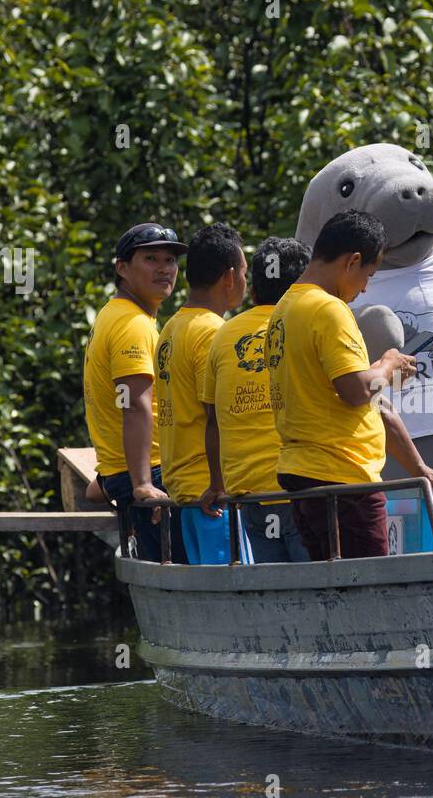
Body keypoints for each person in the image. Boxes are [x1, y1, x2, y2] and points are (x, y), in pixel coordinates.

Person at [267, 209, 433, 560]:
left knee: (333, 590)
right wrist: (387, 365)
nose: (366, 287)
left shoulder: (284, 308)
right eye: (368, 275)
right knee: (368, 591)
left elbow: (369, 401)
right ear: (353, 261)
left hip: (304, 475)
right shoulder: (329, 310)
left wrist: (420, 469)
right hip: (343, 481)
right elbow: (357, 392)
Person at [201, 237, 311, 563]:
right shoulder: (306, 324)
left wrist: (216, 484)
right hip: (301, 489)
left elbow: (213, 417)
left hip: (248, 495)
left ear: (253, 290)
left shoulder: (222, 335)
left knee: (275, 598)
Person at [84, 222, 187, 561]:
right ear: (122, 268)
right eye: (151, 258)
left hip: (127, 472)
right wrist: (142, 482)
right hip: (151, 474)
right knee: (179, 578)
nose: (164, 269)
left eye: (170, 259)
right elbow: (133, 404)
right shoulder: (133, 325)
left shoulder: (113, 315)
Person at [154, 223, 247, 564]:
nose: (246, 283)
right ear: (229, 277)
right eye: (245, 272)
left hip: (185, 490)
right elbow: (219, 416)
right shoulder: (213, 333)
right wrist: (221, 485)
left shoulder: (171, 327)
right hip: (212, 494)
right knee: (237, 600)